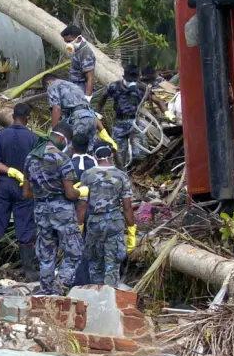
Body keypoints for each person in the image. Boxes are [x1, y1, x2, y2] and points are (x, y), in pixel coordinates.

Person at [23, 127, 84, 293]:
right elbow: (70, 193)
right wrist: (82, 192)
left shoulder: (30, 158)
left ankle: (46, 289)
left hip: (41, 209)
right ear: (64, 139)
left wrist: (42, 193)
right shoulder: (62, 157)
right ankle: (60, 286)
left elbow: (26, 193)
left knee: (46, 253)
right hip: (62, 209)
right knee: (74, 251)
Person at [0, 103, 38, 279]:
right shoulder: (33, 138)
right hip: (24, 186)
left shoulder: (0, 136)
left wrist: (8, 170)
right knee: (25, 225)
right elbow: (36, 165)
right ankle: (29, 271)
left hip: (4, 184)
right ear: (27, 118)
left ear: (13, 116)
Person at [77, 144, 137, 287]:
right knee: (112, 265)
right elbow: (127, 206)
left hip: (94, 224)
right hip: (114, 223)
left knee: (95, 263)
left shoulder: (87, 175)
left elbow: (82, 205)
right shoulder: (121, 176)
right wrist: (131, 231)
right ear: (111, 155)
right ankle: (110, 298)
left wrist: (79, 227)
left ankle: (96, 296)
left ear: (95, 157)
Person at [93, 65, 148, 164]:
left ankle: (138, 172)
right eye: (129, 79)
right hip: (120, 122)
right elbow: (103, 99)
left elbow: (155, 99)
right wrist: (97, 113)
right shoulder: (114, 86)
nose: (132, 82)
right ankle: (121, 174)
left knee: (140, 153)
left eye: (134, 79)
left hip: (135, 122)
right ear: (124, 76)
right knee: (118, 154)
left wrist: (167, 113)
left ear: (138, 77)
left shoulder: (142, 87)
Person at [44, 73, 97, 154]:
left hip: (80, 119)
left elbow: (56, 108)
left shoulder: (52, 85)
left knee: (70, 151)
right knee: (88, 152)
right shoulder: (72, 85)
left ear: (48, 82)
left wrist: (54, 133)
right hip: (92, 118)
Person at [61, 23, 97, 99]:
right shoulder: (77, 50)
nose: (68, 44)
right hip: (75, 87)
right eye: (66, 42)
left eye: (69, 41)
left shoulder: (86, 53)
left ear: (78, 38)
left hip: (82, 90)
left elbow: (90, 78)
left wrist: (87, 98)